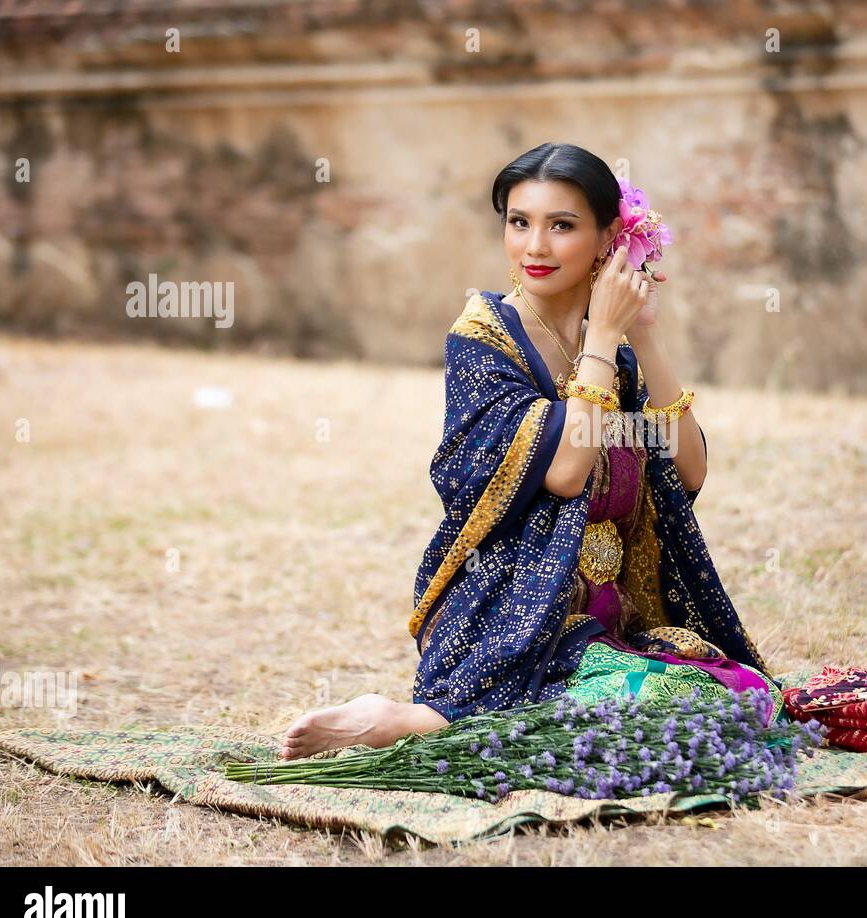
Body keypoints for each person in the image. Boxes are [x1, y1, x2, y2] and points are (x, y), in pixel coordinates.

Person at [280, 143, 779, 760]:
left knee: (746, 700)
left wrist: (642, 333)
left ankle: (448, 722)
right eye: (520, 222)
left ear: (608, 241)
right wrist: (601, 335)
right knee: (665, 713)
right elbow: (568, 472)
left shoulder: (616, 357)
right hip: (509, 617)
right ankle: (402, 721)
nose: (534, 247)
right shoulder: (485, 341)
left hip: (611, 621)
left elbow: (688, 468)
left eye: (561, 225)